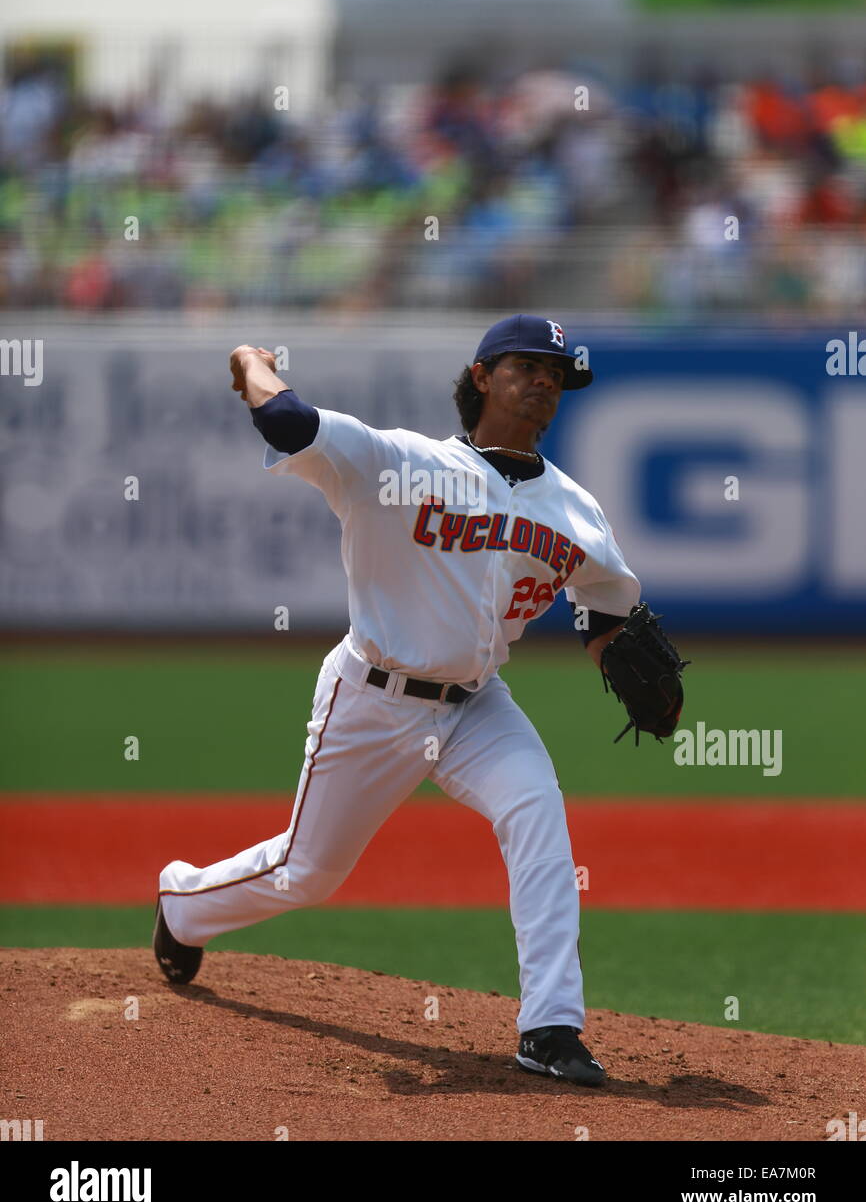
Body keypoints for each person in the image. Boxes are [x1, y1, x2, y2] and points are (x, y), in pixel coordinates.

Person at [153, 314, 641, 1087]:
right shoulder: (398, 463)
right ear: (482, 376)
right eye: (528, 365)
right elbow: (286, 420)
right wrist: (251, 362)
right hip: (372, 699)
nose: (546, 380)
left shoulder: (574, 507)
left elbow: (611, 609)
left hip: (478, 706)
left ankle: (550, 1028)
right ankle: (183, 902)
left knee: (539, 812)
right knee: (309, 873)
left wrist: (625, 663)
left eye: (558, 373)